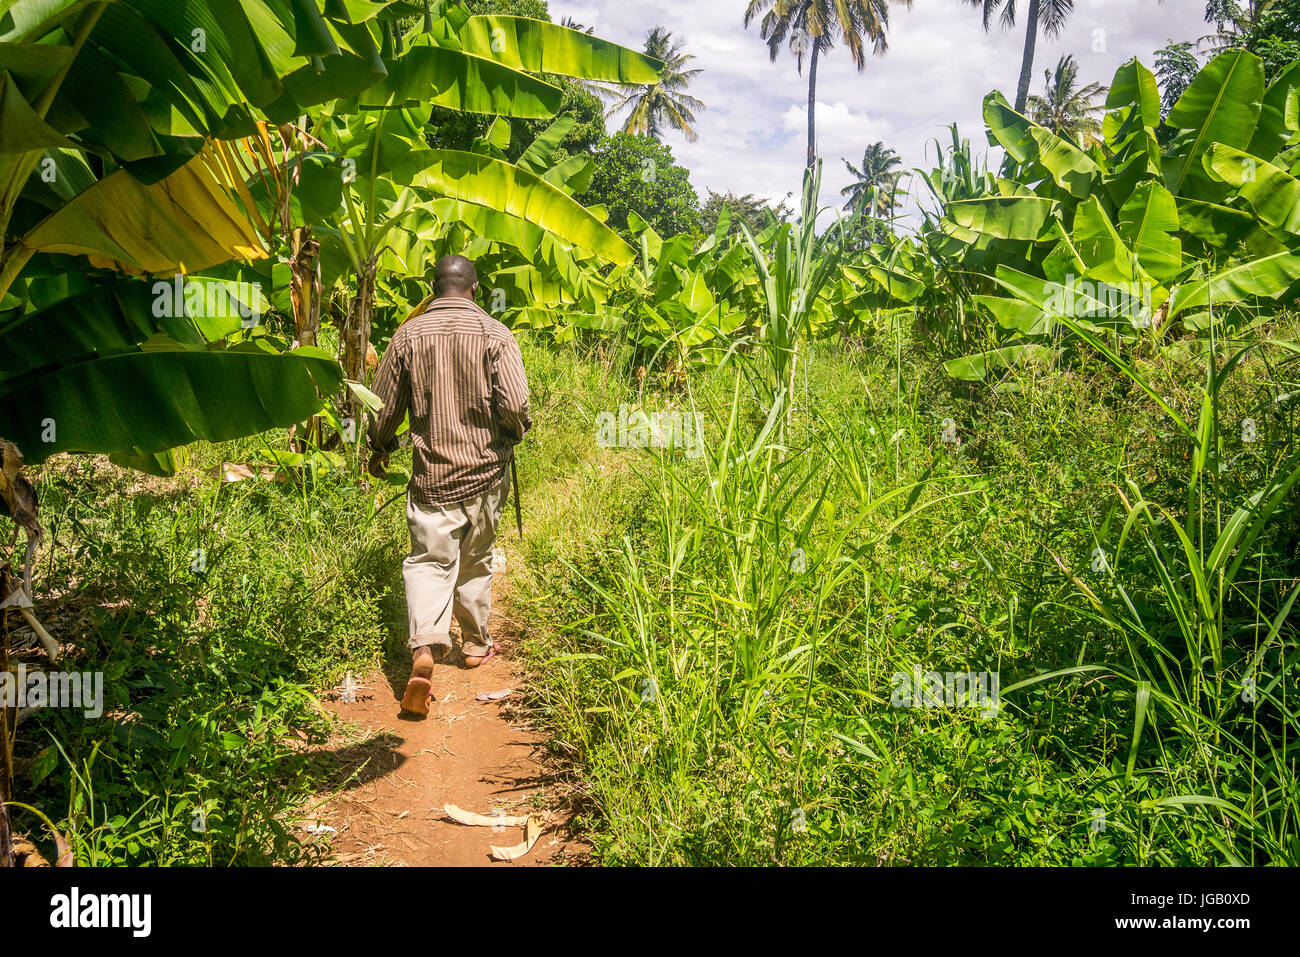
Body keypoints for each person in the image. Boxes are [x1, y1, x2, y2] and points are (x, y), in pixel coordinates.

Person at [365, 255, 531, 716]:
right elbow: (515, 406)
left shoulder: (408, 335)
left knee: (428, 563)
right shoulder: (496, 334)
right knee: (476, 561)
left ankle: (424, 647)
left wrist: (380, 446)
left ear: (433, 287)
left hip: (432, 474)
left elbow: (383, 408)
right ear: (474, 289)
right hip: (485, 472)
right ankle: (475, 644)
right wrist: (514, 434)